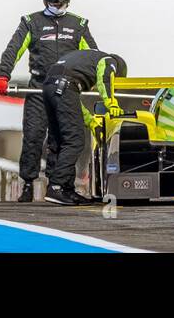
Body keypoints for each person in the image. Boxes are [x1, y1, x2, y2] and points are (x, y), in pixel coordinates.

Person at [0, 0, 99, 201]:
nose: (58, 4)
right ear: (45, 0)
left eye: (62, 0)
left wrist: (99, 82)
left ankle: (58, 185)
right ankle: (28, 184)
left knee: (61, 138)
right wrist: (3, 75)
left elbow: (93, 57)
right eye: (54, 0)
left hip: (66, 90)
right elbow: (13, 49)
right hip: (39, 88)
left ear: (68, 0)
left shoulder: (79, 25)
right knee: (32, 135)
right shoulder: (31, 22)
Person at [39, 48, 127, 206]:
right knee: (75, 140)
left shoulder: (83, 62)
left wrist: (91, 121)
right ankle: (57, 186)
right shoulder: (109, 61)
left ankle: (65, 190)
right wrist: (111, 103)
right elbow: (105, 78)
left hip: (50, 87)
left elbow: (73, 104)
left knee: (59, 140)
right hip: (64, 86)